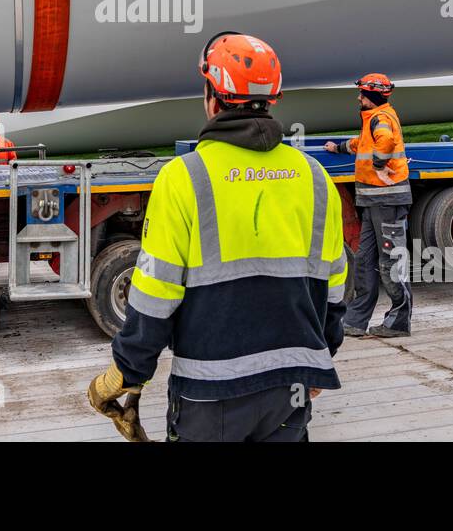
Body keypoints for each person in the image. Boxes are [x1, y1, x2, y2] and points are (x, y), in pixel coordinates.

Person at [88, 31, 347, 442]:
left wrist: (128, 369)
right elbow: (334, 288)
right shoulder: (315, 178)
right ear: (271, 99)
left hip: (210, 395)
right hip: (290, 390)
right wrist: (318, 359)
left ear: (212, 95)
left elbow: (156, 295)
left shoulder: (184, 177)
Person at [324, 73, 412, 337]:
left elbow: (384, 142)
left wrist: (378, 165)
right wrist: (338, 147)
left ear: (372, 97)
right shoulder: (373, 119)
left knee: (390, 262)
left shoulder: (380, 118)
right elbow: (363, 144)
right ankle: (355, 321)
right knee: (364, 261)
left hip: (387, 200)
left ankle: (399, 321)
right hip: (373, 201)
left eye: (362, 94)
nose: (359, 97)